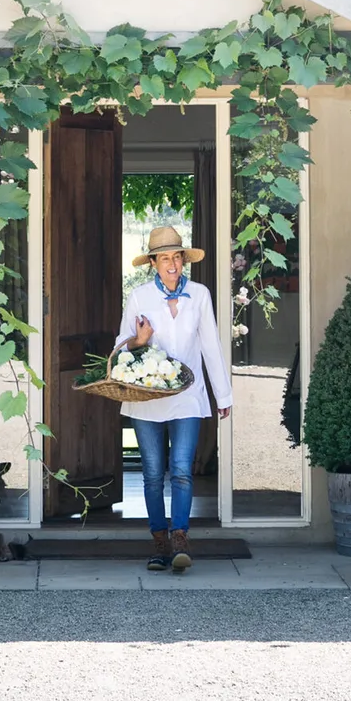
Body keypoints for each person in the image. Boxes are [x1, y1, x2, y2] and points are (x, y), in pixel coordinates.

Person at [114, 225, 232, 573]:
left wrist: (222, 393)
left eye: (176, 257)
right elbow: (119, 346)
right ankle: (159, 542)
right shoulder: (139, 297)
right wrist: (139, 339)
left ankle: (180, 538)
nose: (171, 264)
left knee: (181, 471)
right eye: (164, 258)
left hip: (188, 397)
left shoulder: (200, 294)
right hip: (147, 400)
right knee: (152, 475)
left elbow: (211, 345)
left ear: (183, 260)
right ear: (153, 262)